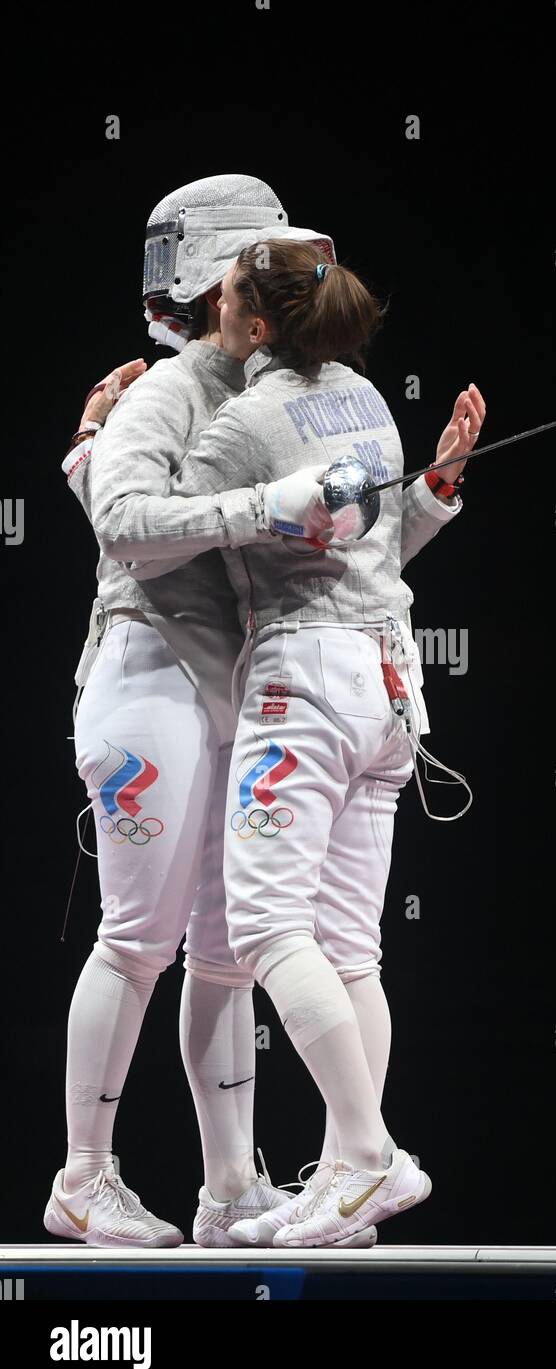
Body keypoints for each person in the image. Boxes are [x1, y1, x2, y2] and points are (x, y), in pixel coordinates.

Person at [87, 235, 486, 1246]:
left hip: (302, 690)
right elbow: (370, 546)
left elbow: (138, 536)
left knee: (264, 928)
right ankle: (341, 1186)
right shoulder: (364, 401)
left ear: (255, 322)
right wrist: (429, 491)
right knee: (353, 948)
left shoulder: (245, 418)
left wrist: (92, 457)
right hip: (392, 688)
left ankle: (363, 1156)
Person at [45, 175, 366, 1249]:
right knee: (137, 937)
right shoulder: (170, 391)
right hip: (146, 678)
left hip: (233, 689)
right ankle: (83, 1177)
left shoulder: (268, 394)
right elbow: (126, 522)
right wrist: (267, 503)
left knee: (227, 948)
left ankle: (230, 1187)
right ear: (229, 277)